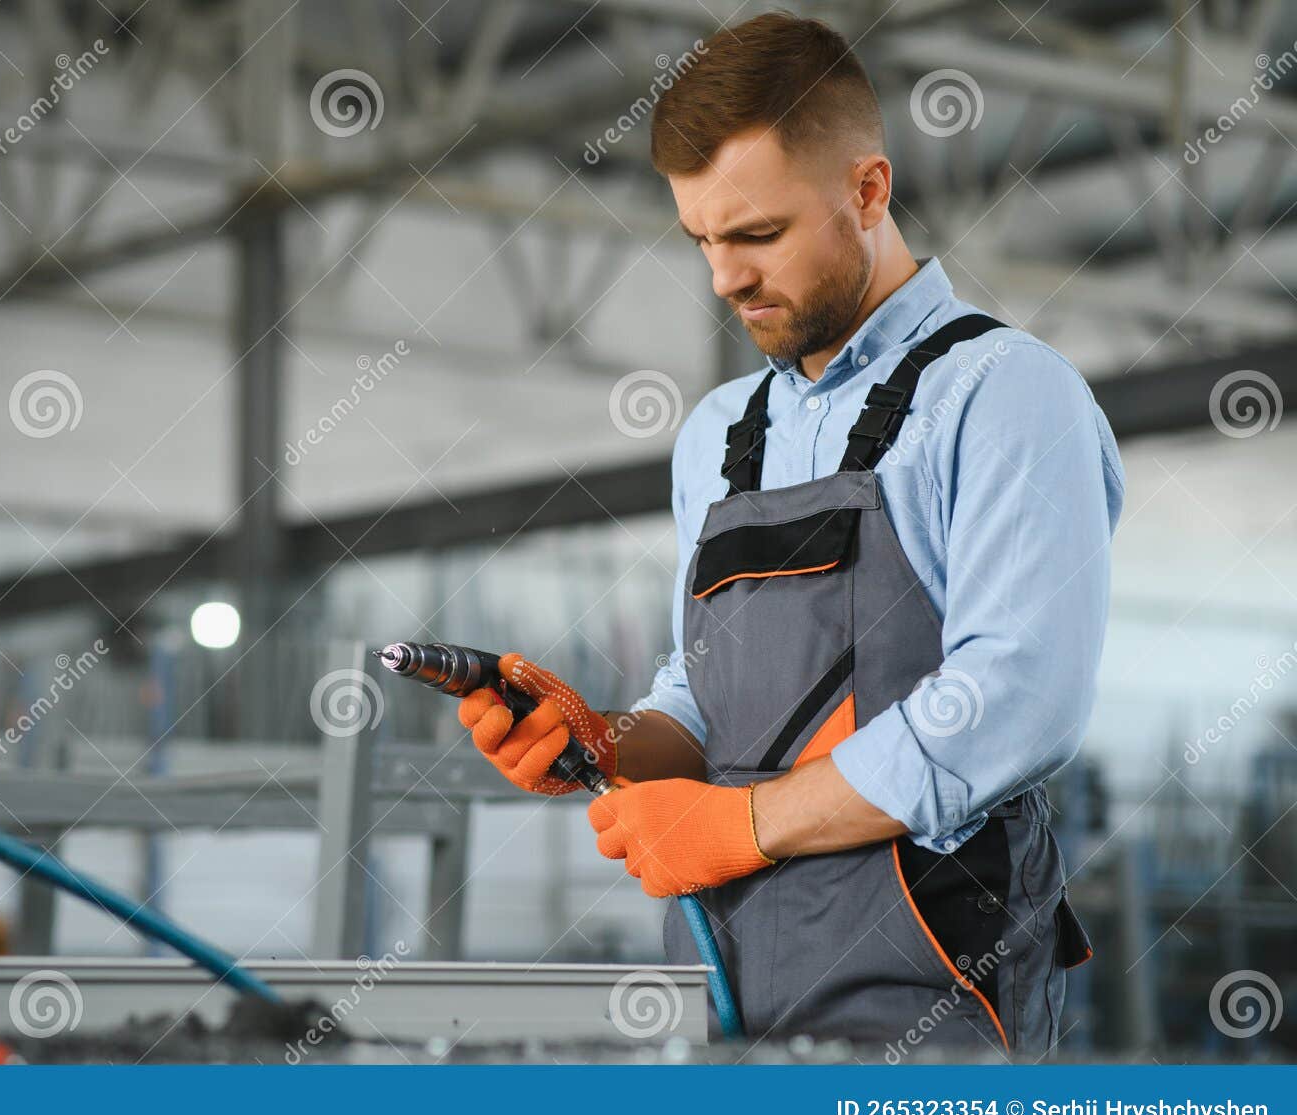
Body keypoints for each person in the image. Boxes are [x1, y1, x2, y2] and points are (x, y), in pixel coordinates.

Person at [457, 10, 1122, 1056]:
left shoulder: (1002, 395)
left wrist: (741, 827)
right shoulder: (717, 435)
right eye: (703, 241)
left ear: (867, 190)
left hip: (935, 990)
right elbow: (706, 691)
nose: (724, 277)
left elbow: (1018, 700)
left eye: (756, 235)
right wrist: (602, 744)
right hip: (727, 987)